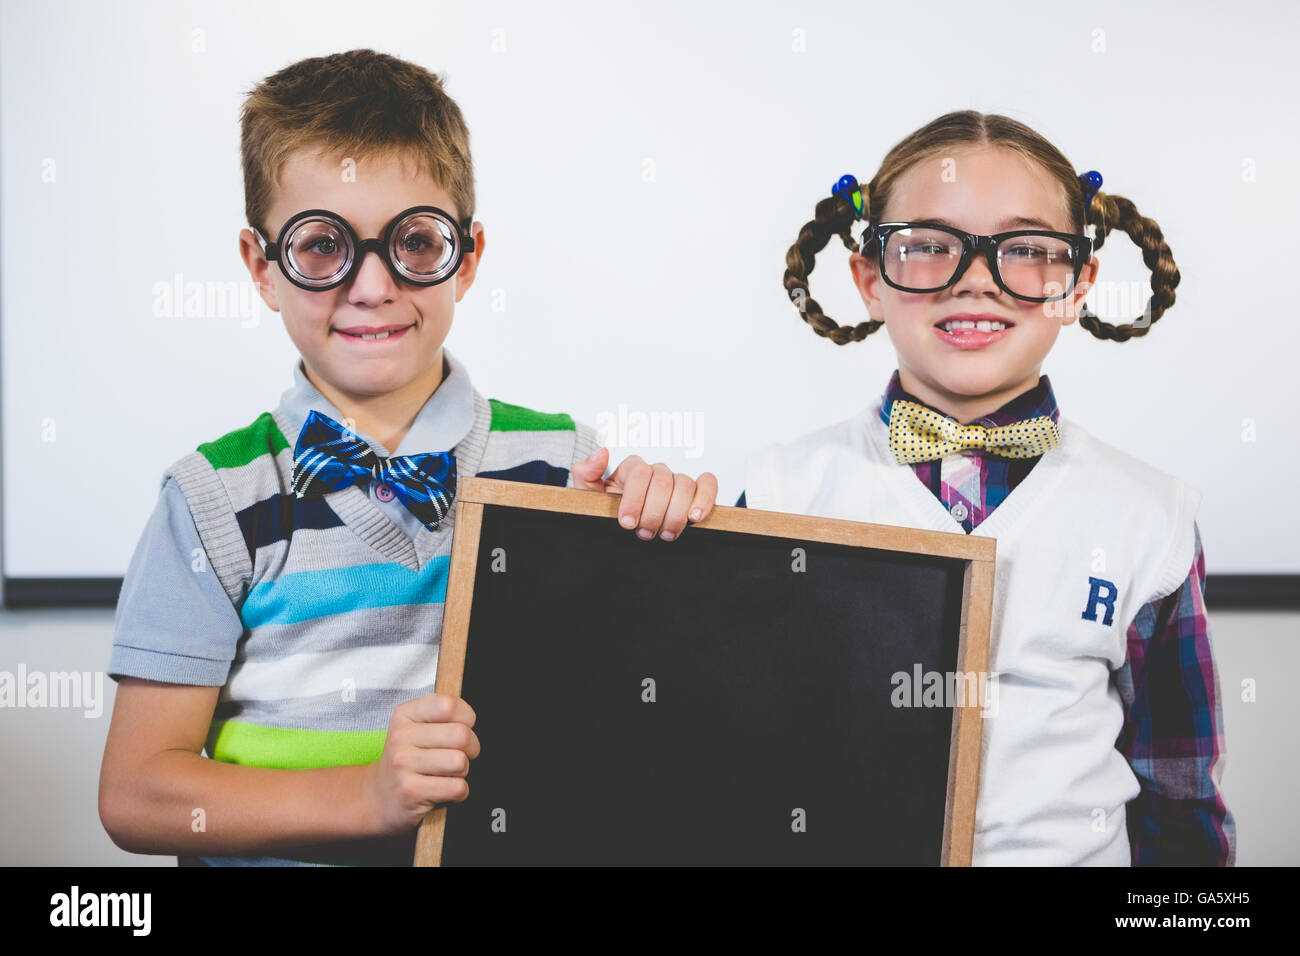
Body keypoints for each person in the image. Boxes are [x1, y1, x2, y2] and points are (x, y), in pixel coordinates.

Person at [98, 49, 718, 866]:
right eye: (322, 247)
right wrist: (366, 796)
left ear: (468, 255)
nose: (372, 285)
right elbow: (138, 794)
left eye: (414, 242)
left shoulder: (562, 462)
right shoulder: (213, 499)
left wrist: (661, 534)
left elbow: (637, 710)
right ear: (261, 267)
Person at [739, 110, 1234, 865]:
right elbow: (730, 746)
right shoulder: (783, 492)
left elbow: (1181, 796)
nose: (975, 279)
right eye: (930, 246)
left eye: (1027, 249)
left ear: (1077, 283)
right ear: (869, 280)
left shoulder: (1148, 518)